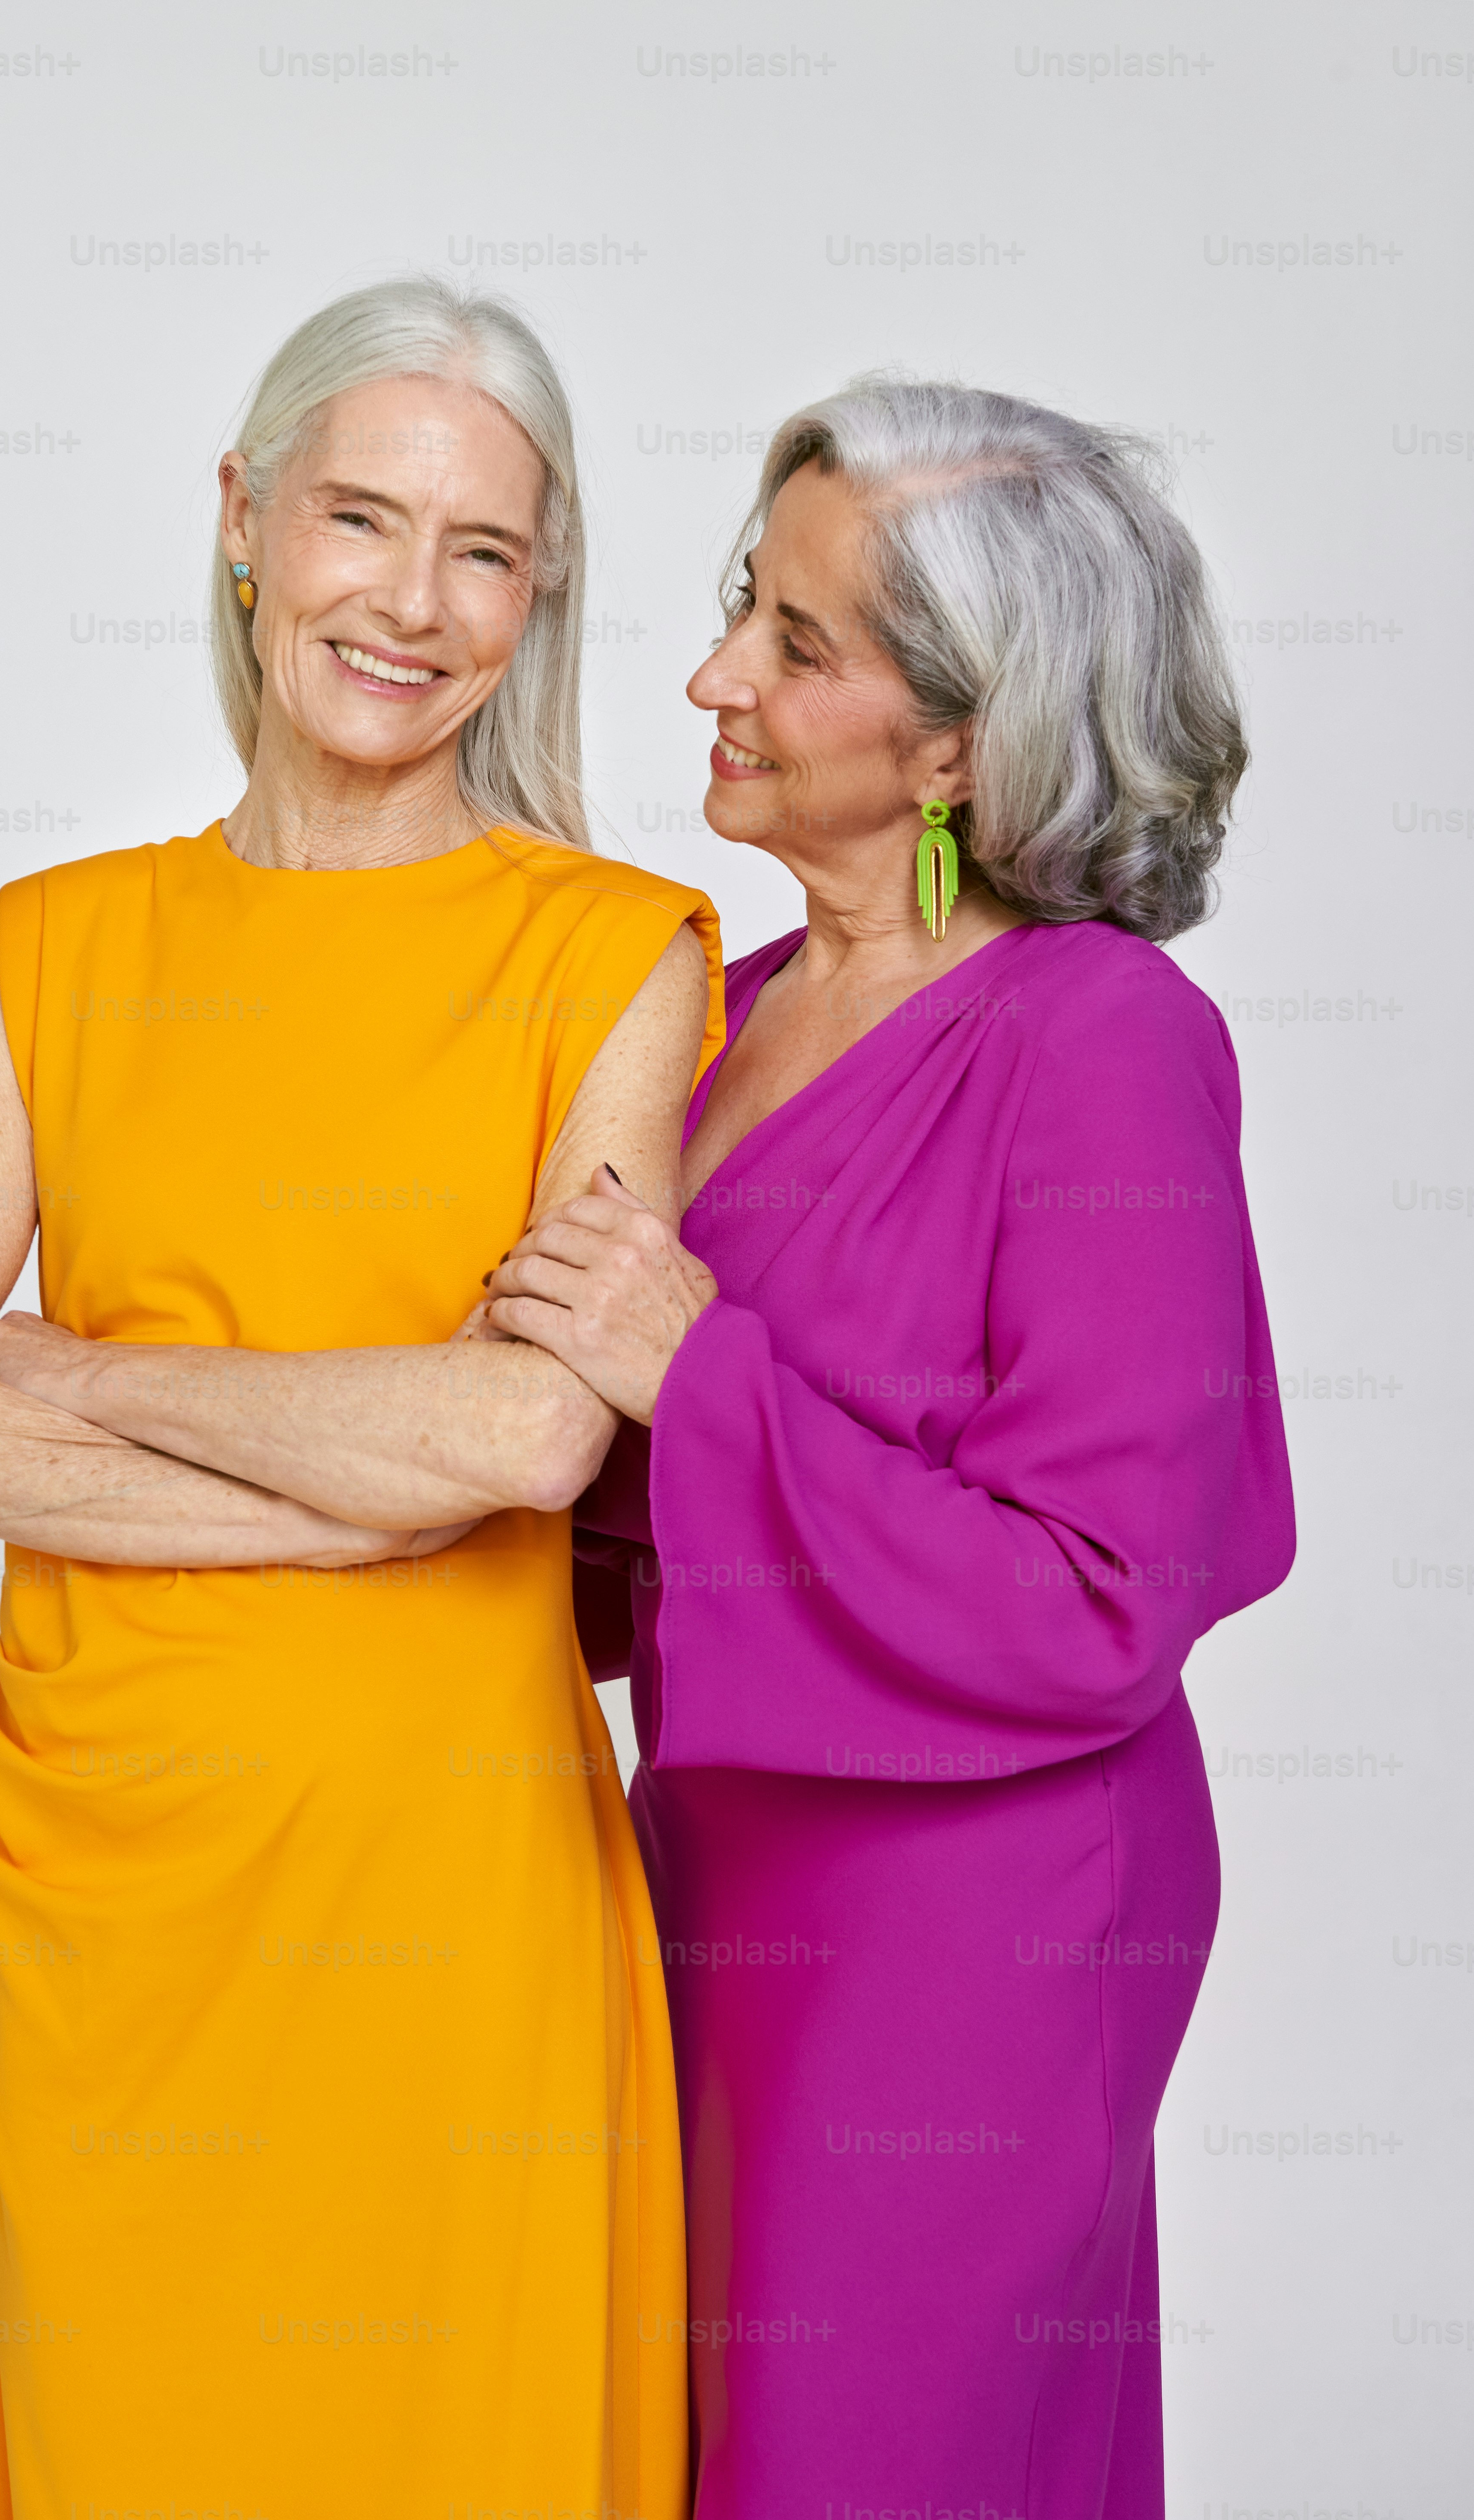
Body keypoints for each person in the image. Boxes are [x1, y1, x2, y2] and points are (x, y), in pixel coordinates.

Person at [0, 277, 721, 2518]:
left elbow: (528, 1439)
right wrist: (357, 1478)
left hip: (447, 1916)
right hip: (106, 1908)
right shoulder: (57, 942)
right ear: (242, 521)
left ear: (540, 597)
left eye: (485, 551)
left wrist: (91, 1371)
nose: (410, 601)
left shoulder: (615, 949)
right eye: (356, 516)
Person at [483, 377, 1295, 2518]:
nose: (710, 674)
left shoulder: (1100, 1043)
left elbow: (1100, 1596)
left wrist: (688, 1366)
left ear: (961, 742)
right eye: (743, 600)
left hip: (977, 1913)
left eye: (799, 644)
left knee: (864, 2462)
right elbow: (612, 1501)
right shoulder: (713, 1013)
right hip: (707, 1861)